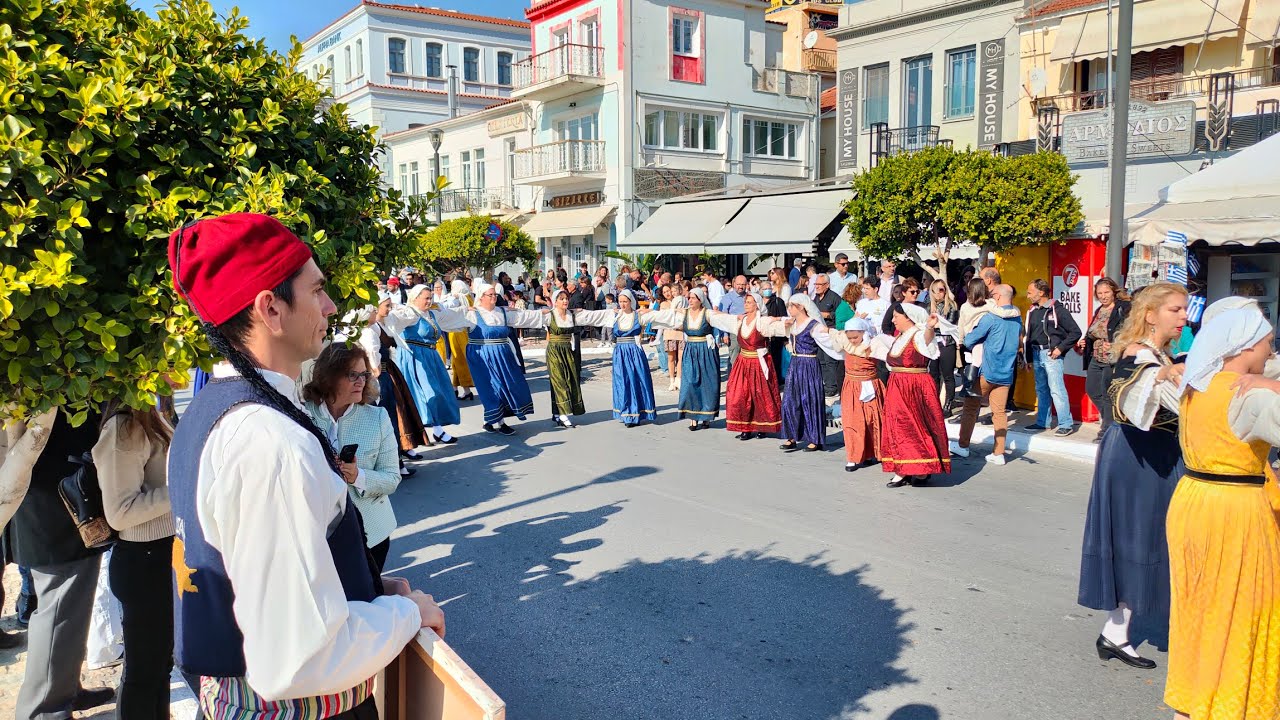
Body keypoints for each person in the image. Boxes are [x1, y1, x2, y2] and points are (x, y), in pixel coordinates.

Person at [166, 213, 444, 719]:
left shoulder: (209, 414)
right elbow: (299, 658)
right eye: (316, 291)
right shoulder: (270, 443)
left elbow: (251, 579)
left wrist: (369, 587)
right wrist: (406, 614)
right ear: (270, 308)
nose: (331, 306)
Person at [1165, 298, 1280, 720]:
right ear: (1247, 347)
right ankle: (1229, 707)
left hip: (1193, 502)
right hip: (1236, 512)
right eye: (1268, 344)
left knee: (1199, 610)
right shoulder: (1250, 396)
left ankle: (1192, 704)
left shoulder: (1196, 384)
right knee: (1242, 613)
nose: (1270, 353)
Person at [1077, 282, 1188, 671]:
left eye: (1184, 309)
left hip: (1153, 456)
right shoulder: (1139, 356)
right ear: (1150, 314)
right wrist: (1163, 376)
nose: (1183, 316)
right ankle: (1116, 632)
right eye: (1175, 310)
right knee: (1135, 537)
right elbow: (1132, 405)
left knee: (1148, 537)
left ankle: (1116, 631)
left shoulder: (1158, 355)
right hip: (1136, 459)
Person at [9, 404, 116, 719]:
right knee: (58, 608)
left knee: (72, 606)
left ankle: (65, 690)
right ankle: (44, 709)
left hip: (60, 491)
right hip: (54, 498)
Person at [95, 397, 175, 719]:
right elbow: (119, 513)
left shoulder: (157, 411)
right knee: (144, 671)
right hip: (143, 560)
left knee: (160, 666)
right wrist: (180, 489)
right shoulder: (125, 426)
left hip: (162, 554)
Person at [303, 345, 402, 573]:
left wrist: (359, 476)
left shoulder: (377, 417)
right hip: (319, 533)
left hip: (371, 533)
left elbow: (392, 478)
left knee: (368, 598)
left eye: (364, 374)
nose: (361, 381)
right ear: (329, 376)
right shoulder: (303, 415)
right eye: (352, 375)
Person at [877, 302, 952, 488]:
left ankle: (919, 469)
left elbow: (927, 340)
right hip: (897, 385)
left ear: (908, 317)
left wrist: (929, 326)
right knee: (898, 427)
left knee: (914, 426)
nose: (893, 320)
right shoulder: (900, 337)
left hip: (914, 387)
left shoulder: (918, 334)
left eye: (896, 316)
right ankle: (904, 469)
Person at [386, 285, 473, 444]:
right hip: (416, 358)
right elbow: (391, 320)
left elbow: (454, 316)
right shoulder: (409, 313)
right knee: (427, 394)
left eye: (430, 297)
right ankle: (419, 433)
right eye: (426, 298)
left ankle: (437, 430)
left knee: (440, 393)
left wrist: (471, 311)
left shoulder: (431, 314)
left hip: (432, 357)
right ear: (415, 298)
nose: (429, 301)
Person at [456, 281, 546, 434]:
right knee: (493, 387)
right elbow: (449, 318)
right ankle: (500, 423)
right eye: (490, 295)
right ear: (481, 297)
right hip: (483, 356)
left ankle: (489, 420)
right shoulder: (472, 313)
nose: (494, 297)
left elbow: (523, 317)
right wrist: (462, 309)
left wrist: (543, 313)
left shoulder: (502, 312)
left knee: (509, 385)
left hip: (503, 354)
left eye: (495, 295)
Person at [949, 285, 1022, 464]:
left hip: (986, 371)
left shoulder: (990, 318)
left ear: (997, 296)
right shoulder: (1018, 318)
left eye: (992, 294)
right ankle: (999, 454)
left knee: (970, 407)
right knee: (999, 413)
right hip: (1006, 372)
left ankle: (963, 446)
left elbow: (970, 339)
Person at [707, 293, 788, 440]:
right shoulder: (740, 320)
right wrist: (709, 312)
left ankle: (761, 427)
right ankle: (745, 427)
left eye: (750, 302)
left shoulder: (762, 321)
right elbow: (721, 319)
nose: (746, 304)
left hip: (758, 362)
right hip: (743, 362)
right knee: (740, 394)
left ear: (757, 305)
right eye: (746, 301)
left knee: (760, 394)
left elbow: (779, 326)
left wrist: (785, 321)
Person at [573, 290, 658, 426]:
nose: (623, 304)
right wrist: (577, 313)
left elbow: (663, 317)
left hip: (634, 353)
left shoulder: (639, 316)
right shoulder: (614, 315)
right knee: (622, 381)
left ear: (631, 302)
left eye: (626, 301)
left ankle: (636, 413)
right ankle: (626, 413)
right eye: (621, 301)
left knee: (636, 381)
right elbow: (593, 316)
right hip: (620, 353)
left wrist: (660, 311)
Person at [362, 296, 426, 462]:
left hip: (390, 370)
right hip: (382, 373)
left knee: (401, 408)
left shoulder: (387, 321)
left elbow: (412, 316)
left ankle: (403, 447)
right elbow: (372, 354)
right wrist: (374, 372)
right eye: (386, 306)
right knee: (391, 412)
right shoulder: (370, 329)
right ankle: (395, 455)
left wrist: (412, 304)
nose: (389, 309)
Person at [817, 317, 884, 472]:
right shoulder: (845, 341)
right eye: (850, 338)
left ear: (863, 332)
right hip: (851, 386)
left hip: (870, 385)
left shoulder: (873, 345)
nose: (853, 341)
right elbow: (834, 335)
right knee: (853, 422)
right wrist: (827, 330)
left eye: (856, 337)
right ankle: (854, 457)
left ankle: (872, 453)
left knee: (872, 420)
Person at [648, 288, 721, 430]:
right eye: (689, 298)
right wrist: (650, 314)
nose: (690, 300)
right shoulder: (684, 313)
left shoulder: (707, 313)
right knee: (689, 383)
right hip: (690, 350)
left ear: (700, 300)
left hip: (706, 351)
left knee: (706, 383)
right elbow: (667, 317)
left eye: (693, 298)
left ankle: (706, 416)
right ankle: (692, 417)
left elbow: (722, 320)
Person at [779, 294, 841, 452]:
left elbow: (828, 342)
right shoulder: (792, 324)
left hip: (809, 365)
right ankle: (791, 435)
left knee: (809, 400)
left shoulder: (813, 325)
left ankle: (814, 438)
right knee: (790, 401)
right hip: (795, 365)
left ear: (800, 307)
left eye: (791, 306)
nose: (789, 309)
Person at [1025, 278, 1082, 436]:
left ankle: (1066, 423)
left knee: (1057, 390)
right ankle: (1043, 421)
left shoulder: (1057, 309)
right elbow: (1029, 337)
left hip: (1051, 355)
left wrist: (1060, 349)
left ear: (1041, 292)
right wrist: (1028, 358)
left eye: (1030, 292)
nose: (1028, 295)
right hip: (1036, 354)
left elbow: (1075, 332)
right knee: (1041, 390)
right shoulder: (1032, 311)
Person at [1079, 277, 1131, 435]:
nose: (1103, 296)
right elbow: (1094, 331)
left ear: (1114, 291)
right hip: (1096, 356)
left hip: (1113, 357)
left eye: (1106, 292)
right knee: (1092, 390)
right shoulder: (1099, 310)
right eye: (1099, 293)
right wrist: (1085, 341)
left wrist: (1116, 344)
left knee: (1107, 393)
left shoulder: (1124, 307)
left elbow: (1130, 331)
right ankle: (1114, 419)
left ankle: (1106, 430)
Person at [925, 279, 960, 416]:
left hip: (947, 342)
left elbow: (950, 325)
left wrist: (936, 325)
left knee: (948, 375)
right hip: (934, 342)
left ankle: (948, 405)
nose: (940, 293)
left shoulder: (951, 305)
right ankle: (934, 404)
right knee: (933, 375)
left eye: (943, 289)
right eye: (937, 290)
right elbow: (926, 324)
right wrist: (935, 326)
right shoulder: (928, 307)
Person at [442, 280, 476, 401]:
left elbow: (446, 307)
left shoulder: (456, 298)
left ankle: (463, 388)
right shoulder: (469, 296)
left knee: (459, 359)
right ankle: (457, 389)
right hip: (466, 331)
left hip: (456, 331)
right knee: (456, 360)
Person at [811, 274, 843, 400]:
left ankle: (832, 387)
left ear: (827, 285)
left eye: (819, 285)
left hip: (830, 332)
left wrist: (828, 315)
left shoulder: (834, 298)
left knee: (830, 361)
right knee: (821, 360)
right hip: (819, 334)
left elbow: (841, 314)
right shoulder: (816, 298)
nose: (817, 287)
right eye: (816, 284)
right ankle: (826, 384)